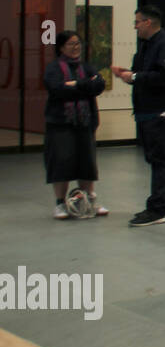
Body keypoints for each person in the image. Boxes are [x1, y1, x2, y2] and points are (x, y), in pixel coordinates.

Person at [111, 5, 165, 227]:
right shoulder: (148, 46)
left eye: (137, 22)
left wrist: (134, 77)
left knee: (159, 159)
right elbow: (144, 73)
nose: (135, 27)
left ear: (148, 22)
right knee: (158, 159)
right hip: (148, 110)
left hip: (160, 111)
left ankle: (157, 208)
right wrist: (129, 74)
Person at [43, 30, 110, 218]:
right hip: (60, 123)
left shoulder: (87, 67)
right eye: (71, 44)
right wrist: (84, 86)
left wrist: (75, 85)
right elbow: (56, 89)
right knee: (61, 162)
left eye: (78, 44)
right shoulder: (54, 68)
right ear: (62, 47)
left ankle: (89, 200)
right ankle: (60, 204)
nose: (75, 47)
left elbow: (98, 85)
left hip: (85, 122)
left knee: (87, 163)